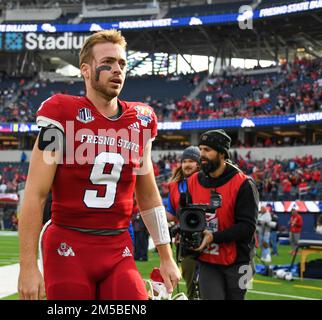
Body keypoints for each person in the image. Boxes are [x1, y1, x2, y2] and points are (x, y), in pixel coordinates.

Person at [18, 30, 181, 300]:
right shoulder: (61, 113)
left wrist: (166, 256)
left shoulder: (139, 121)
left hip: (117, 246)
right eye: (107, 63)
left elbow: (149, 195)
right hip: (68, 244)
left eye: (122, 64)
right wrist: (27, 266)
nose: (117, 69)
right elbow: (35, 193)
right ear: (85, 69)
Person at [186, 129, 259, 300]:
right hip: (207, 260)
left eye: (207, 150)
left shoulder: (244, 184)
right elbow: (188, 216)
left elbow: (247, 228)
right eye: (200, 148)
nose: (201, 154)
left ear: (222, 153)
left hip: (240, 261)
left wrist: (213, 237)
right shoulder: (193, 182)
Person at [168, 145, 200, 299]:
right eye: (185, 161)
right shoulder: (174, 185)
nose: (187, 164)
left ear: (199, 163)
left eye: (192, 161)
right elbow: (172, 213)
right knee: (191, 283)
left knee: (210, 283)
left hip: (210, 237)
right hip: (185, 239)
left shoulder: (208, 182)